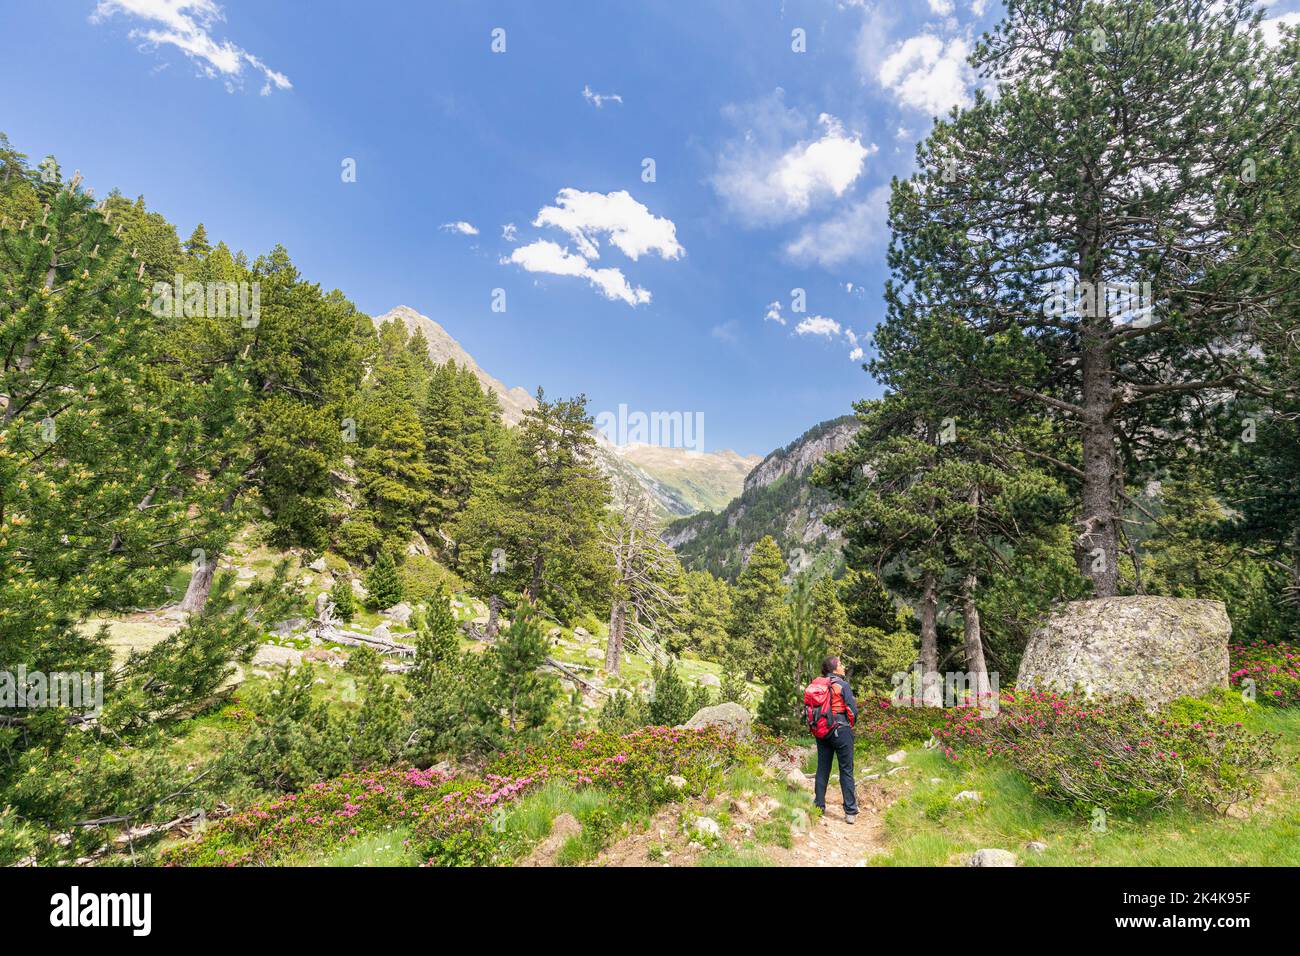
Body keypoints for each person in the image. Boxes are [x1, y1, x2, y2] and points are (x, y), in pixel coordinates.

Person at [814, 655, 859, 823]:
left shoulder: (818, 684)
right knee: (846, 770)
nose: (843, 666)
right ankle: (850, 812)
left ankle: (818, 806)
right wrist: (848, 725)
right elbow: (853, 710)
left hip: (822, 730)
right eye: (840, 664)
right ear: (834, 668)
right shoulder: (842, 685)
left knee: (822, 768)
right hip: (841, 730)